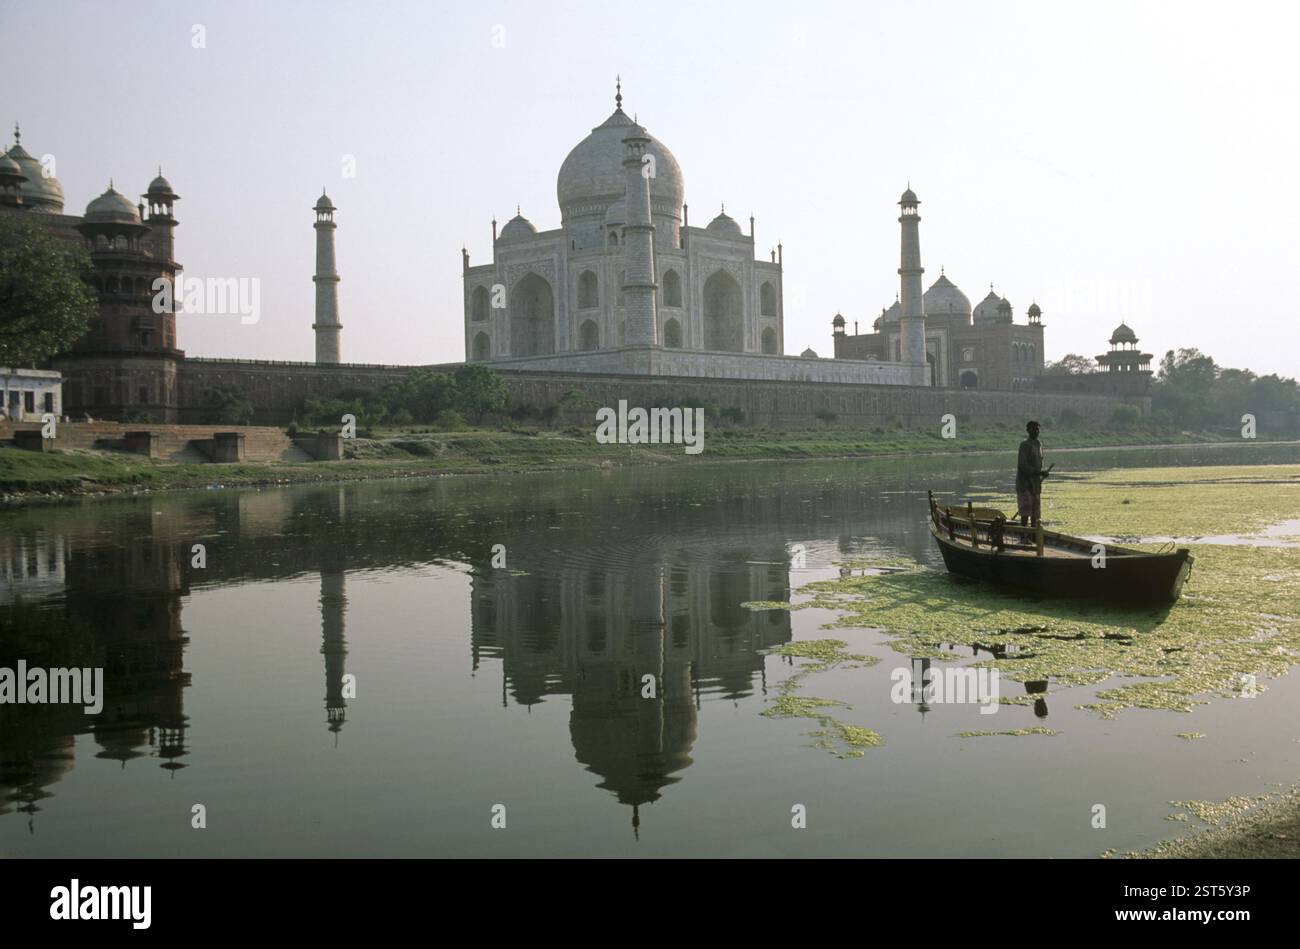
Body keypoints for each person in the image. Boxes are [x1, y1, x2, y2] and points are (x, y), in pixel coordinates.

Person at [1016, 420, 1049, 527]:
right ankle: (1023, 537)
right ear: (1028, 431)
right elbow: (1023, 466)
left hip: (1035, 484)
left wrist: (1042, 474)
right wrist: (1039, 472)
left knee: (1035, 513)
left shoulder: (1038, 444)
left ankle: (1034, 536)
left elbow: (1039, 463)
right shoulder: (1024, 445)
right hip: (1025, 484)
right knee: (1025, 513)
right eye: (1033, 429)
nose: (1036, 431)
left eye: (1037, 429)